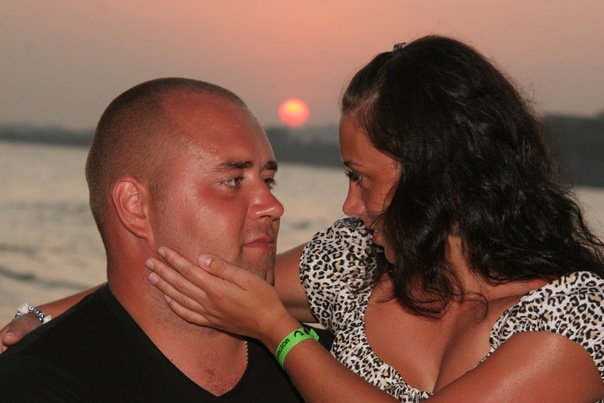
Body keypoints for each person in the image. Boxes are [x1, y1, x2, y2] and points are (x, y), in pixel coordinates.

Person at [2, 35, 604, 401]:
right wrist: (45, 316)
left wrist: (280, 333)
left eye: (361, 178)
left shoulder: (568, 316)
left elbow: (257, 311)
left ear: (435, 174)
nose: (349, 204)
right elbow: (193, 276)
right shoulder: (354, 266)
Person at [0, 77, 320, 401]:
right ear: (135, 206)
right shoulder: (41, 384)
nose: (273, 206)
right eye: (233, 180)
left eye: (268, 181)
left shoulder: (325, 372)